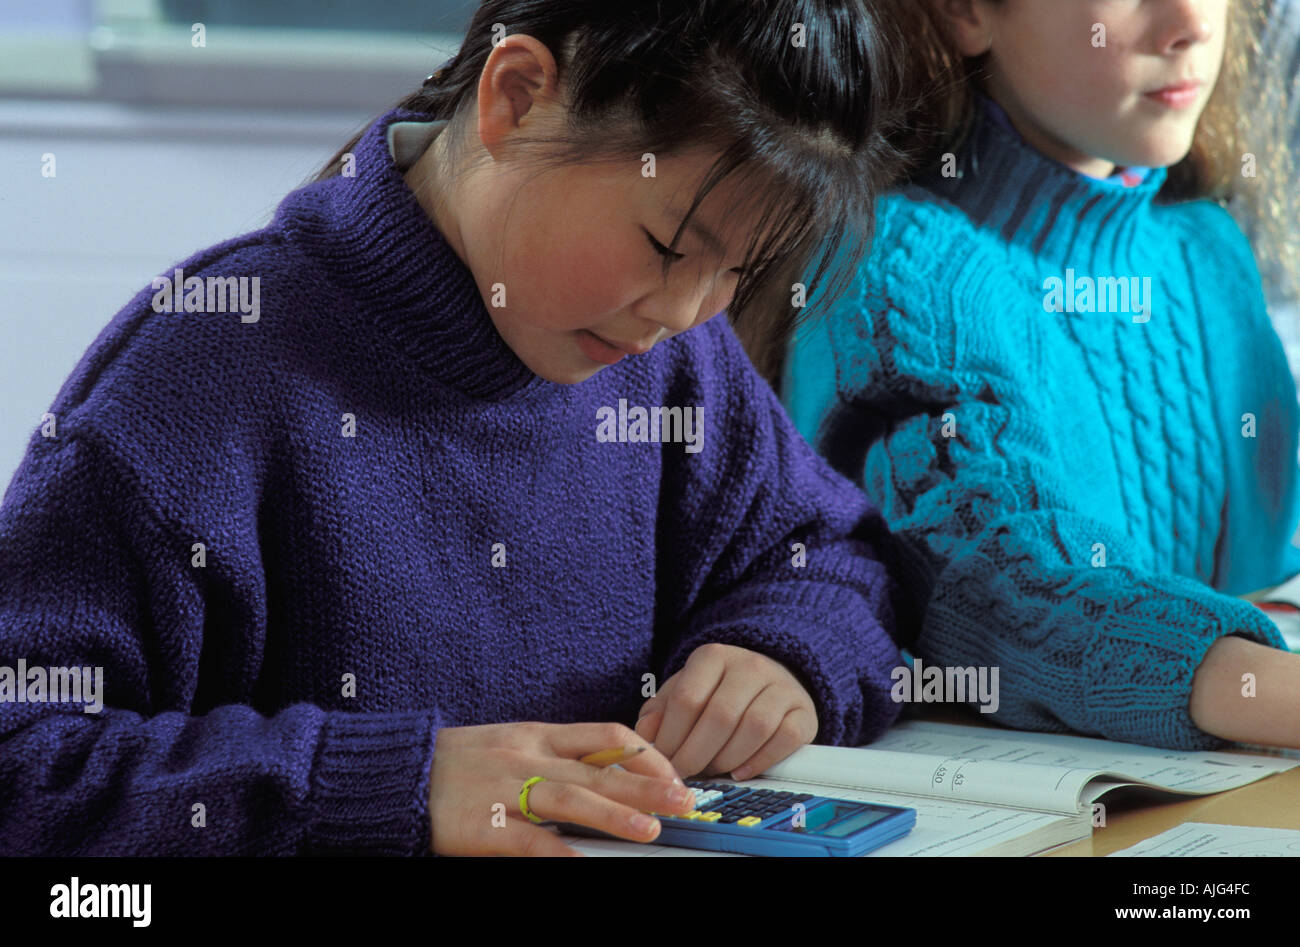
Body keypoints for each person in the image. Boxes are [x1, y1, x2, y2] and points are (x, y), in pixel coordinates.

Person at [0, 0, 912, 855]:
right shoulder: (197, 380)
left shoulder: (679, 366)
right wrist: (392, 784)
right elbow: (25, 764)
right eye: (668, 247)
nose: (683, 310)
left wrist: (783, 654)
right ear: (514, 98)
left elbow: (837, 556)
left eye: (737, 274)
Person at [781, 0, 1300, 751]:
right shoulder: (899, 265)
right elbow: (1003, 582)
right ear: (965, 12)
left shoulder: (1210, 256)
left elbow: (1265, 578)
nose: (1192, 21)